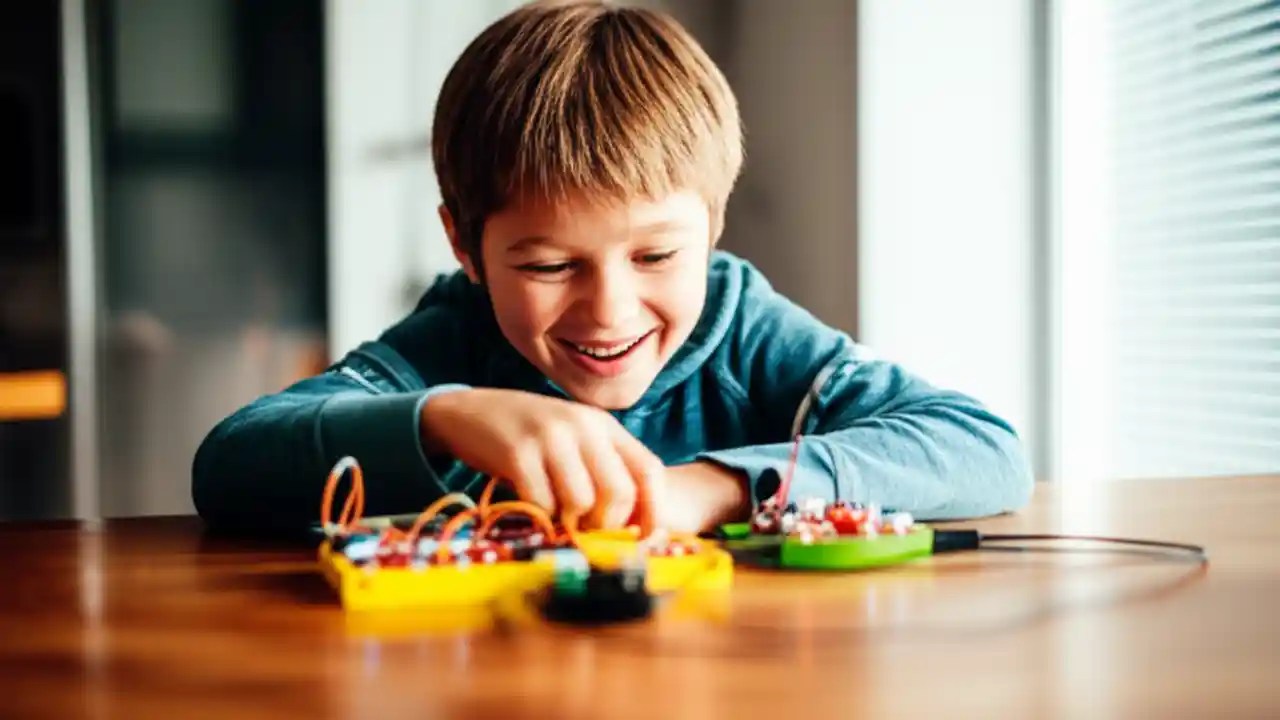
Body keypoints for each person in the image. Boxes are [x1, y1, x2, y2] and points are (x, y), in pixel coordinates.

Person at [192, 0, 1032, 535]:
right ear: (465, 248)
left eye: (657, 254)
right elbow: (227, 463)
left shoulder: (746, 335)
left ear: (712, 229)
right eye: (552, 265)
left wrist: (714, 489)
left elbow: (984, 450)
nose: (610, 310)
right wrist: (447, 415)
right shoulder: (453, 343)